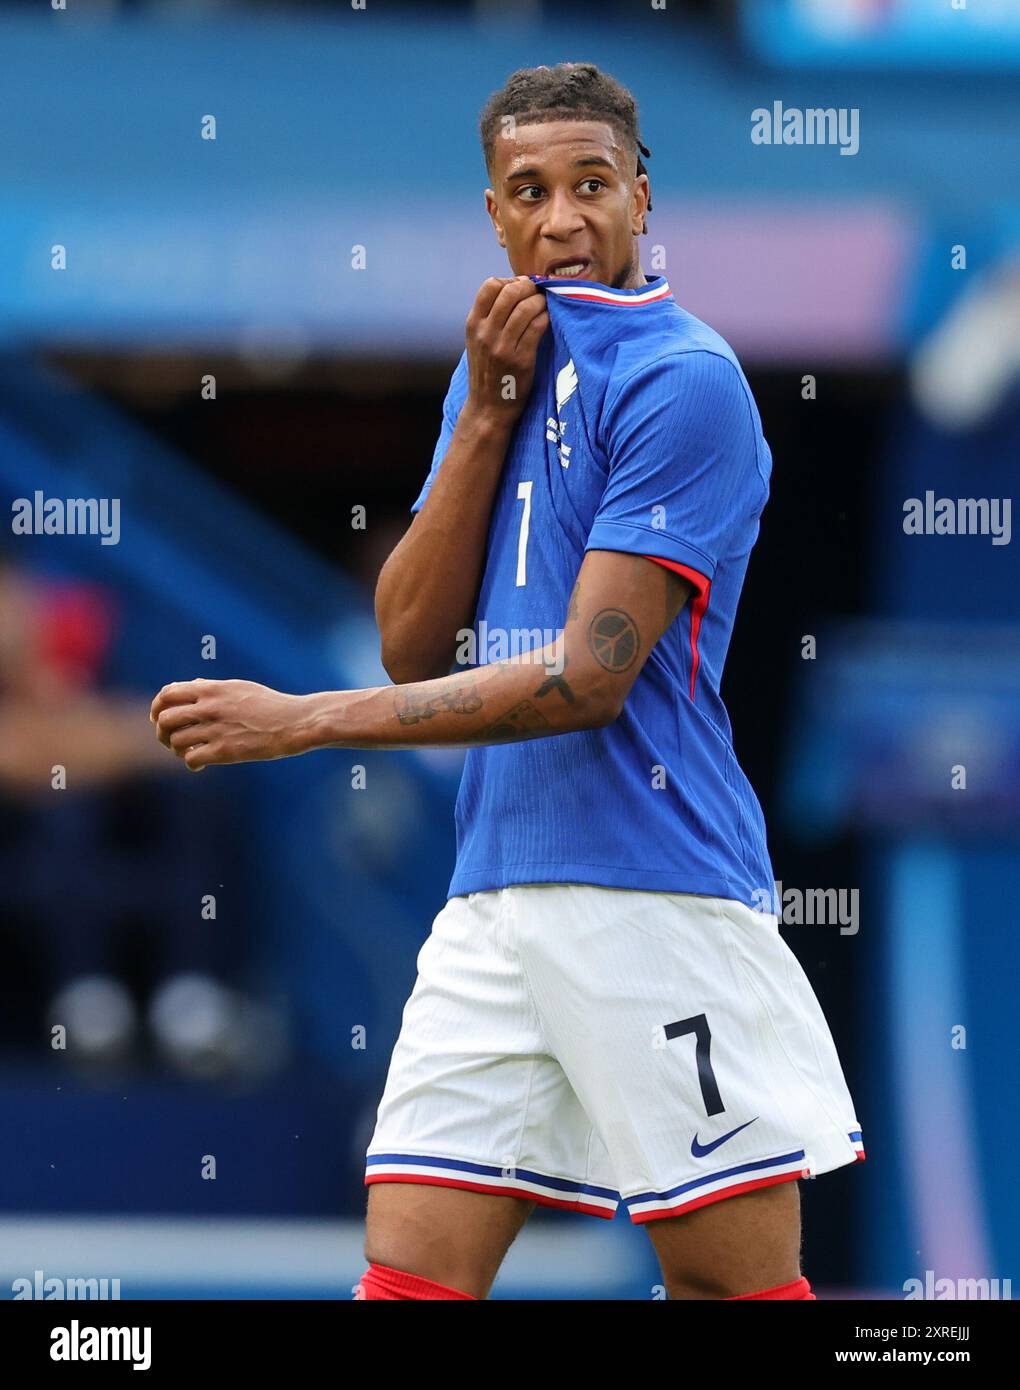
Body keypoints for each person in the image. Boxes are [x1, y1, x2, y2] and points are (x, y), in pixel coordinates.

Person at [150, 62, 864, 1300]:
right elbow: (413, 643)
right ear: (495, 215)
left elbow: (591, 674)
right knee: (409, 1270)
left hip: (656, 893)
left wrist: (307, 722)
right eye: (530, 190)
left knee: (729, 1285)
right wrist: (480, 419)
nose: (564, 217)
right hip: (493, 895)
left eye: (593, 185)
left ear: (643, 198)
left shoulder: (686, 380)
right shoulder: (495, 371)